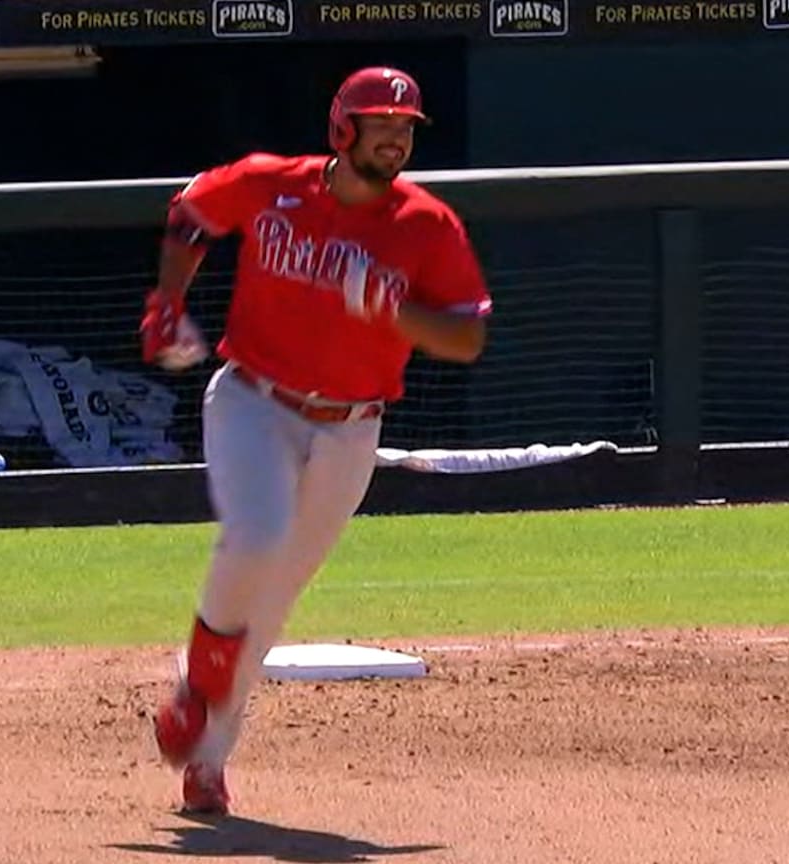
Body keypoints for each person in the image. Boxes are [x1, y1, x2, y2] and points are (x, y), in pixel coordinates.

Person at [141, 66, 493, 816]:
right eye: (382, 124)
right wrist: (168, 302)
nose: (396, 138)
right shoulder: (275, 183)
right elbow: (191, 212)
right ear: (343, 128)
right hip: (253, 399)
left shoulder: (425, 224)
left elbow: (466, 336)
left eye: (406, 127)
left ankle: (206, 759)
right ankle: (201, 684)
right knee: (258, 535)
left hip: (350, 429)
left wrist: (397, 312)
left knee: (272, 603)